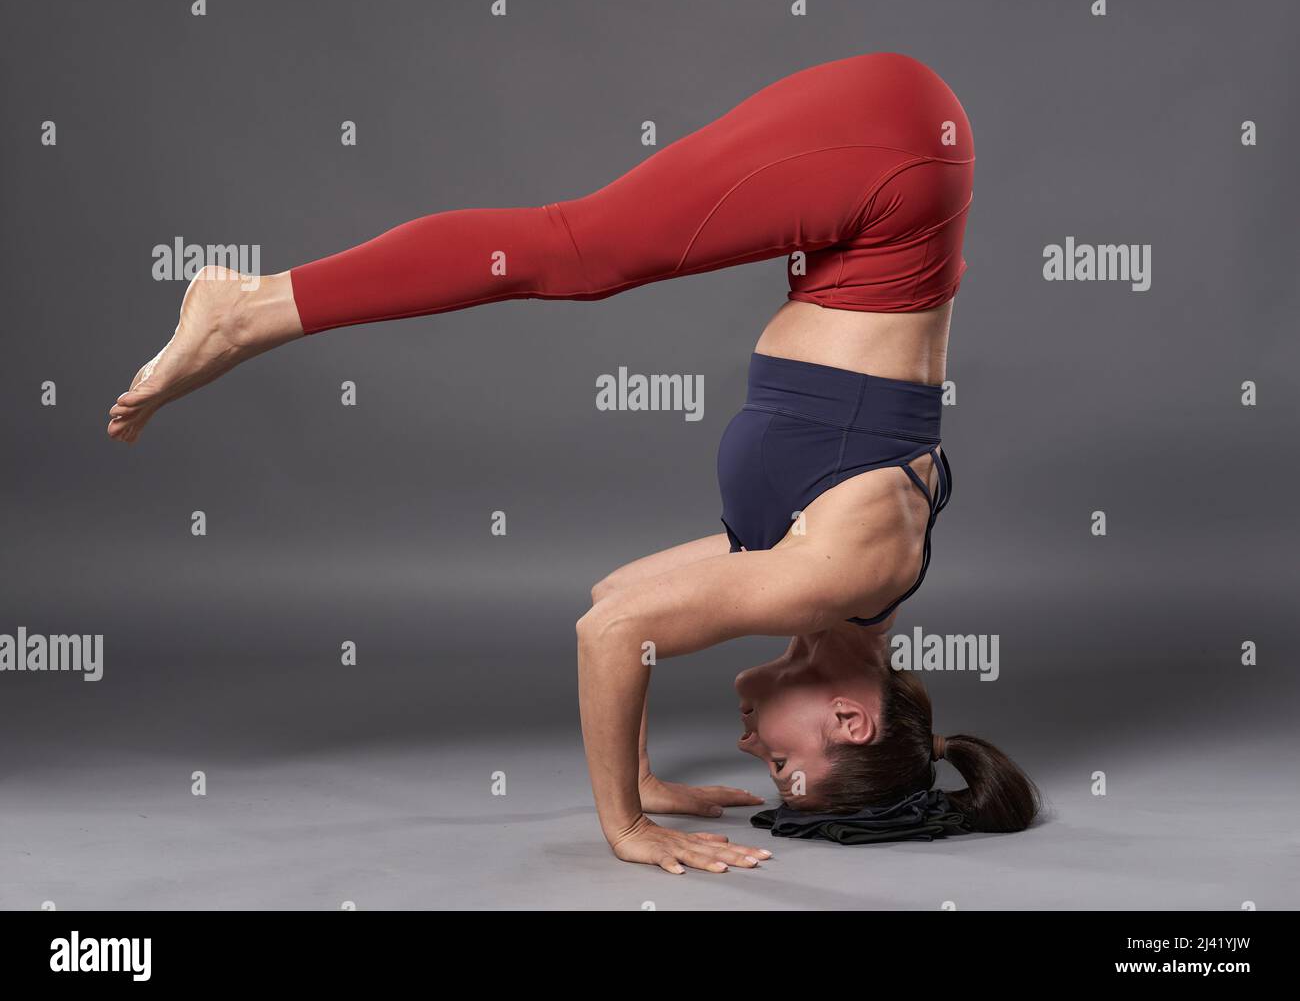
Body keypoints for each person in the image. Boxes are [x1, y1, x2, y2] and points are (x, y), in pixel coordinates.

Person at [107, 52, 1038, 874]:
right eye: (789, 769)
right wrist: (625, 823)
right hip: (893, 164)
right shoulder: (839, 575)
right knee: (574, 249)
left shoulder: (816, 583)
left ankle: (255, 306)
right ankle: (248, 308)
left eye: (767, 780)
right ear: (852, 722)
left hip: (886, 174)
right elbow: (615, 637)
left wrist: (640, 770)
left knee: (581, 248)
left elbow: (610, 604)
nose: (758, 755)